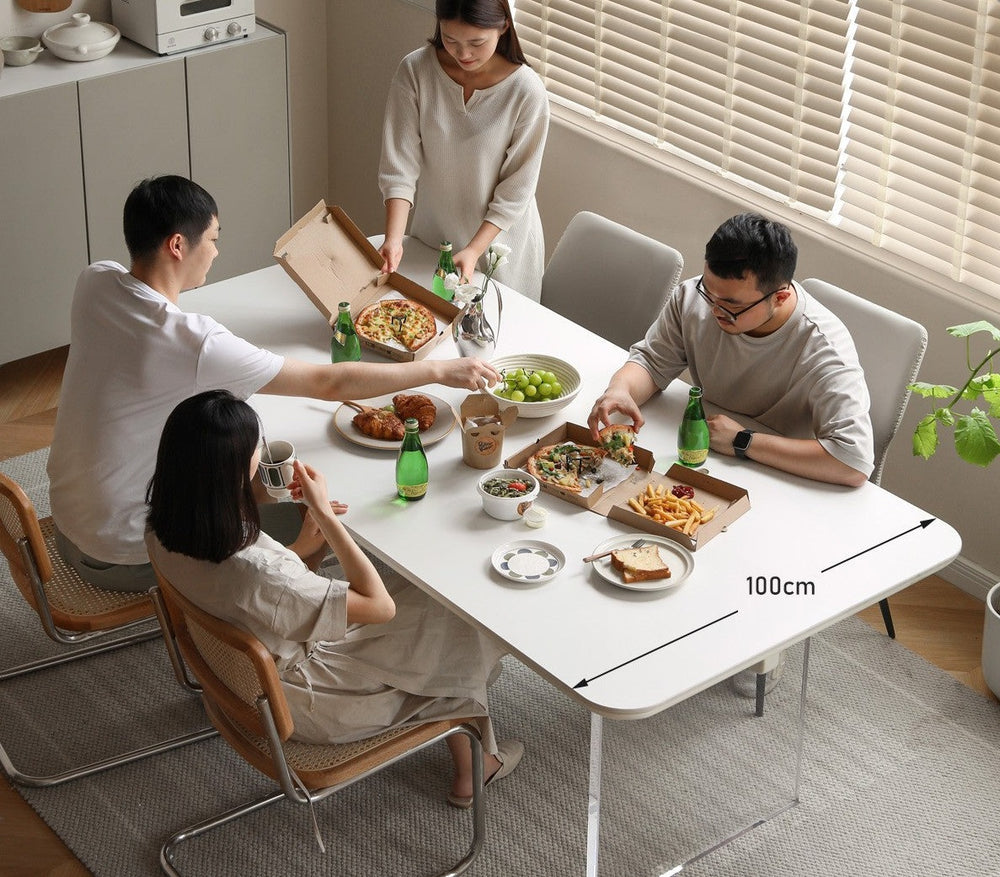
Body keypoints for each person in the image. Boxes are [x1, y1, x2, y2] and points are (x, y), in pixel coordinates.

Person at [47, 175, 500, 594]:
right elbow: (327, 381)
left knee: (252, 461)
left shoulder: (95, 280)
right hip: (131, 553)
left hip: (70, 525)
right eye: (213, 239)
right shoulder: (194, 342)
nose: (217, 252)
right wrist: (439, 371)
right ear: (178, 245)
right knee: (315, 509)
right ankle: (289, 608)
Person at [146, 390, 522, 807]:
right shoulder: (262, 574)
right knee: (457, 617)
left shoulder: (165, 525)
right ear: (234, 468)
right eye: (256, 449)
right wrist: (324, 514)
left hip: (249, 678)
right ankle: (477, 766)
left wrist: (306, 547)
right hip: (310, 703)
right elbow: (379, 608)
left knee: (423, 590)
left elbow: (250, 595)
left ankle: (470, 745)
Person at [588, 212, 874, 488]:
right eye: (708, 292)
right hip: (702, 459)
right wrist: (621, 388)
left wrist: (743, 441)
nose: (713, 310)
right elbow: (652, 363)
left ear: (780, 297)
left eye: (731, 305)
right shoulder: (694, 298)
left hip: (782, 479)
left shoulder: (824, 348)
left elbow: (853, 461)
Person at [378, 0, 549, 300]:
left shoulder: (527, 92)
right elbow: (399, 167)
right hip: (432, 244)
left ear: (504, 26)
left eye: (476, 42)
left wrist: (473, 250)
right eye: (451, 39)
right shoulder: (416, 71)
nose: (463, 54)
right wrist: (393, 240)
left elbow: (515, 192)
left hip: (499, 254)